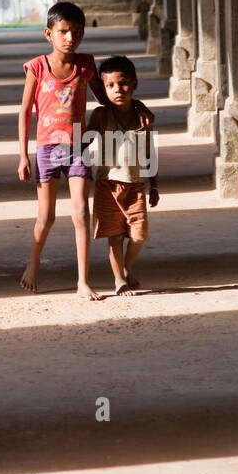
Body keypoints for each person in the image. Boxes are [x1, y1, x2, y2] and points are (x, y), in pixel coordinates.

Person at [17, 1, 104, 300]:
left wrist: (135, 109)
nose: (70, 38)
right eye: (63, 31)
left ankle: (83, 281)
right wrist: (22, 156)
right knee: (46, 217)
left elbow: (106, 100)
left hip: (78, 144)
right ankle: (34, 261)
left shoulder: (86, 65)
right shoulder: (38, 67)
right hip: (46, 148)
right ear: (48, 34)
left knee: (81, 211)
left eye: (77, 32)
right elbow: (25, 112)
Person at [87, 54, 159, 296]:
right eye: (110, 85)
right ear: (103, 88)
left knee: (138, 235)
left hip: (136, 185)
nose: (118, 90)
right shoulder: (100, 116)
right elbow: (84, 143)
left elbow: (150, 152)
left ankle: (126, 268)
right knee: (115, 236)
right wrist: (76, 164)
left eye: (124, 83)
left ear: (135, 83)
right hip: (108, 185)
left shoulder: (143, 117)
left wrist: (155, 185)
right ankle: (119, 280)